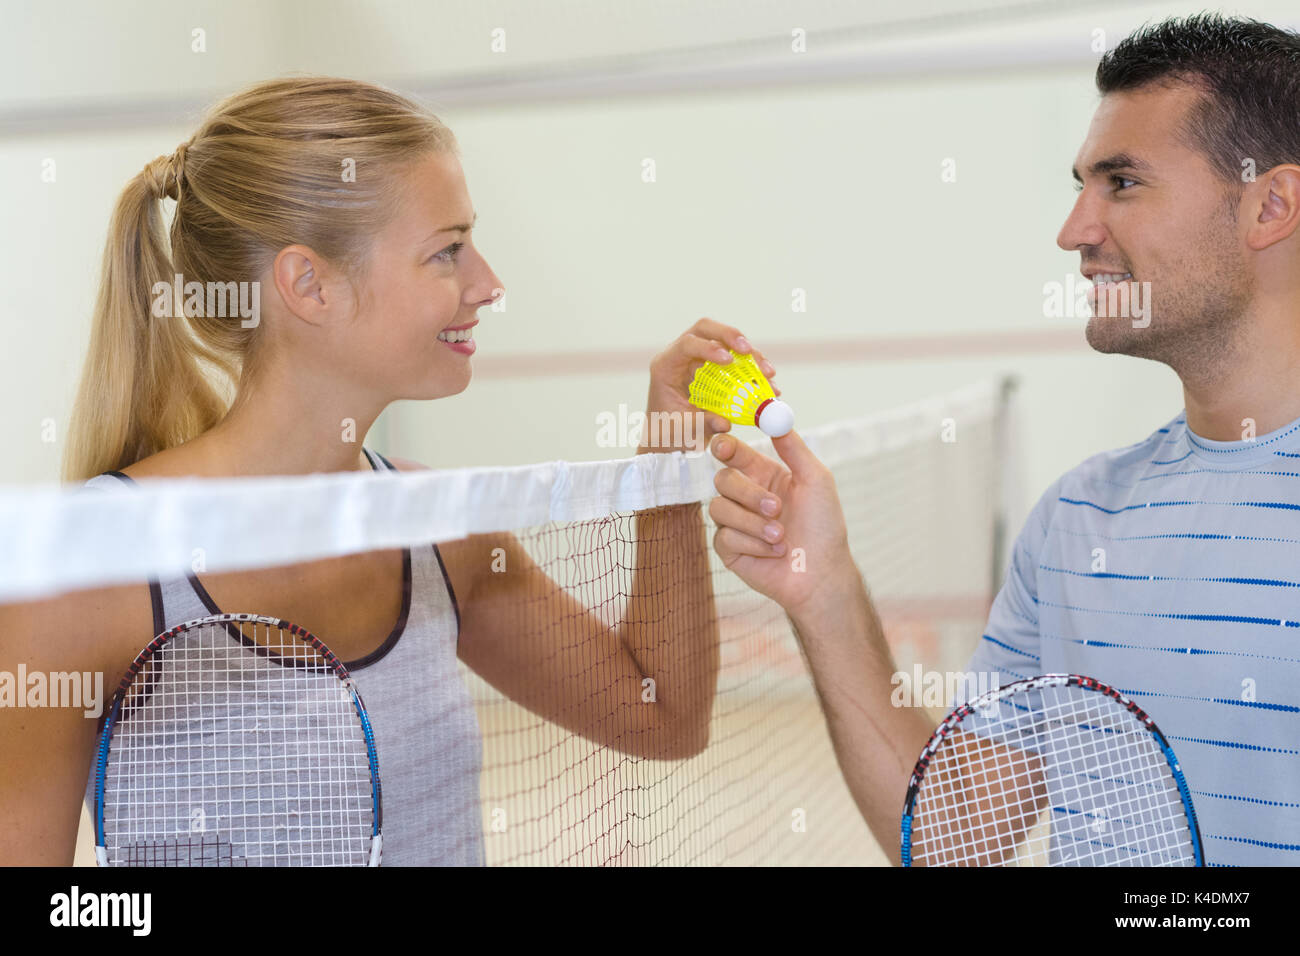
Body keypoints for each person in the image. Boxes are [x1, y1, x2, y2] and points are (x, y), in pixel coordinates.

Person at [0, 76, 780, 865]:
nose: (488, 285)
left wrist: (668, 473)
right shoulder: (85, 580)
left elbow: (662, 717)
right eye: (447, 250)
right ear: (309, 285)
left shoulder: (443, 528)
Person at [708, 13, 1300, 866]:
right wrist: (824, 593)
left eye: (1122, 183)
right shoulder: (1076, 522)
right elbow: (951, 839)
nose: (1076, 230)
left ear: (1269, 205)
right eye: (1080, 185)